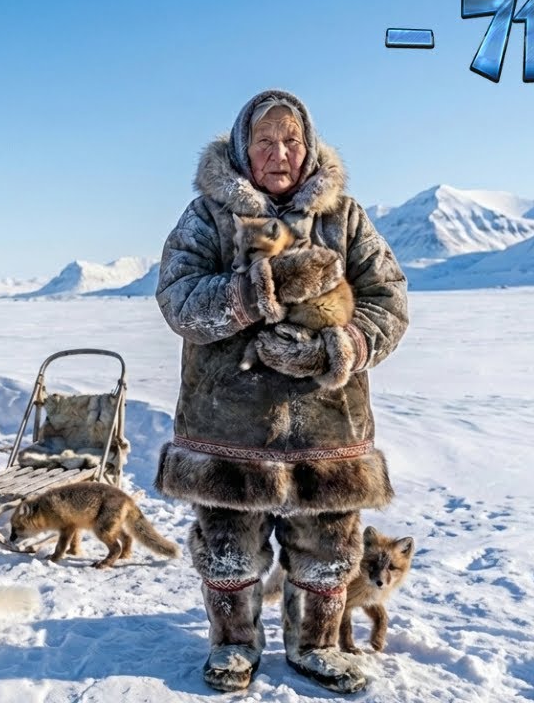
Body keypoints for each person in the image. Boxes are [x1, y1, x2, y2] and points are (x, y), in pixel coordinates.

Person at [154, 89, 408, 694]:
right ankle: (234, 646)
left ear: (310, 145)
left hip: (329, 422)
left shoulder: (344, 217)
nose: (280, 152)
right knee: (229, 547)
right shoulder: (207, 216)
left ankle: (318, 646)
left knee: (328, 548)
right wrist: (254, 293)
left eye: (292, 139)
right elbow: (179, 300)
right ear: (244, 149)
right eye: (265, 141)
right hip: (228, 421)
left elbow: (389, 302)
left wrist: (335, 349)